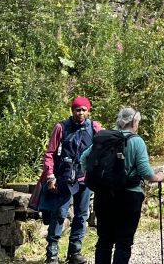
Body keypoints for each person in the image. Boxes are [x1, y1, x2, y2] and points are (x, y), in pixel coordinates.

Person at [82, 107, 164, 264]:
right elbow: (145, 171)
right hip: (129, 197)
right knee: (123, 243)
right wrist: (157, 177)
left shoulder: (106, 139)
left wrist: (98, 178)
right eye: (138, 122)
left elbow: (83, 158)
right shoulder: (136, 141)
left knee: (104, 240)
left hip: (104, 196)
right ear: (134, 121)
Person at [39, 96, 102, 264]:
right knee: (59, 214)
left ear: (88, 111)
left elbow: (103, 148)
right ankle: (52, 255)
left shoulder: (94, 127)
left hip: (85, 178)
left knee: (81, 216)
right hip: (64, 178)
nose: (80, 113)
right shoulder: (61, 127)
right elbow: (50, 154)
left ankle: (75, 253)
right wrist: (50, 176)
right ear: (72, 110)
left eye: (84, 110)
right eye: (77, 109)